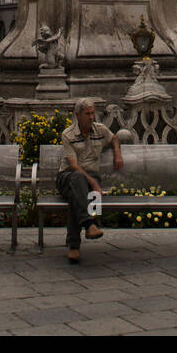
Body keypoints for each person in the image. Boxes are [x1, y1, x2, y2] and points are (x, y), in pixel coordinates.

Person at [56, 97, 123, 263]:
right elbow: (73, 166)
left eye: (93, 113)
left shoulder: (100, 130)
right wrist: (93, 183)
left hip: (86, 181)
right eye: (87, 114)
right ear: (77, 115)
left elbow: (114, 138)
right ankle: (89, 224)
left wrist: (117, 153)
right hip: (67, 176)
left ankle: (74, 246)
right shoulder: (68, 134)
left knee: (76, 195)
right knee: (77, 179)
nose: (91, 117)